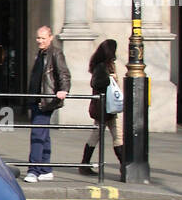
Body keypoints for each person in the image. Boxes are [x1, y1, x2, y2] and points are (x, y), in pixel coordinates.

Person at [24, 26, 70, 182]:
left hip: (46, 99)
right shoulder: (41, 53)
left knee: (37, 133)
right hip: (36, 98)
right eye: (38, 38)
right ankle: (45, 169)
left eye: (43, 38)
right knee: (44, 134)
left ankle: (34, 170)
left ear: (50, 37)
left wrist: (64, 90)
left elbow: (63, 73)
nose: (40, 41)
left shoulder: (56, 53)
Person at [78, 38, 125, 178]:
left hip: (107, 107)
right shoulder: (102, 66)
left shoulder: (105, 64)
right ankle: (125, 167)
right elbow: (96, 83)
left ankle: (85, 164)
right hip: (105, 107)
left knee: (111, 135)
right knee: (114, 135)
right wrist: (111, 78)